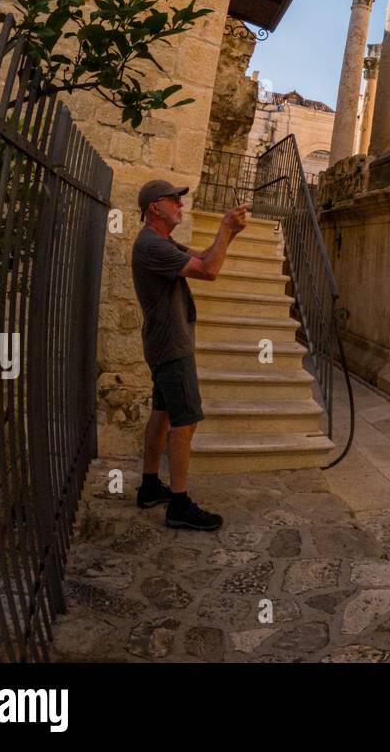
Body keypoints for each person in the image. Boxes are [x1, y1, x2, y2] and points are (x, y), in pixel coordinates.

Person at [130, 179, 250, 531]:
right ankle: (179, 504)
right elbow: (210, 271)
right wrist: (225, 228)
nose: (180, 206)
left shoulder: (159, 242)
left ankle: (151, 485)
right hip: (172, 344)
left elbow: (202, 256)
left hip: (162, 342)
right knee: (185, 421)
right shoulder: (152, 245)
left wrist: (231, 233)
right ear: (155, 207)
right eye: (174, 201)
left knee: (162, 413)